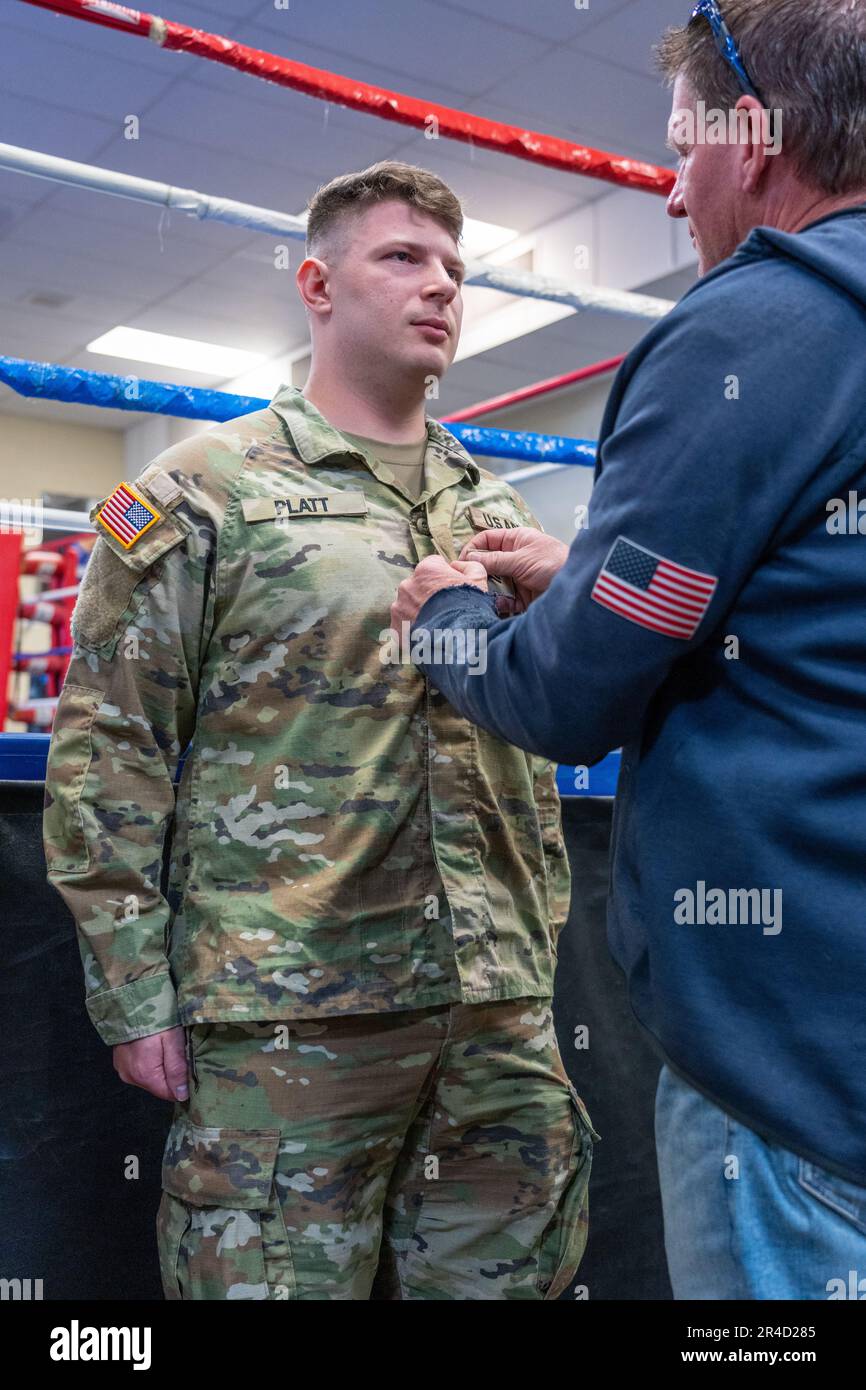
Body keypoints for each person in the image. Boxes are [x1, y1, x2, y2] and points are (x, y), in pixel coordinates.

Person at [42, 160, 597, 1301]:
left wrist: (532, 954)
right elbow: (111, 750)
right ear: (316, 282)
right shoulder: (204, 489)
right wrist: (136, 993)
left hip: (494, 1012)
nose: (439, 285)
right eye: (403, 257)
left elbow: (536, 754)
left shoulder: (498, 515)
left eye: (455, 267)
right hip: (290, 1012)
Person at [392, 0, 866, 1301]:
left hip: (797, 1084)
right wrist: (606, 584)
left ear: (752, 136)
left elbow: (559, 696)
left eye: (680, 146)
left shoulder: (753, 330)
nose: (668, 189)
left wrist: (448, 618)